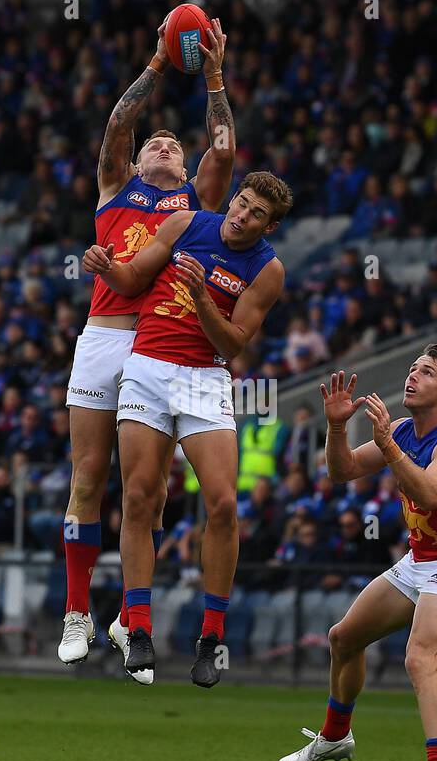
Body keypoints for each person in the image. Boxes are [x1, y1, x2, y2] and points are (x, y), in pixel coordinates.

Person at [59, 16, 235, 677]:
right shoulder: (115, 188)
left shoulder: (195, 202)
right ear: (135, 163)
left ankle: (130, 617)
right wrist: (161, 61)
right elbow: (116, 124)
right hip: (108, 340)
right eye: (153, 141)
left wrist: (214, 74)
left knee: (150, 496)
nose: (163, 141)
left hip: (164, 346)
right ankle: (78, 609)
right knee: (88, 477)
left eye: (173, 142)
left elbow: (222, 148)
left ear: (185, 168)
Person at [81, 171, 291, 686]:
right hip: (148, 367)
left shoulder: (267, 269)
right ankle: (139, 631)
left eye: (256, 214)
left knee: (221, 504)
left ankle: (210, 637)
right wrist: (108, 268)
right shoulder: (185, 223)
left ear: (271, 225)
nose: (241, 216)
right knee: (138, 498)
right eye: (241, 203)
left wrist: (200, 297)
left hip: (204, 378)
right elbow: (132, 281)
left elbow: (235, 342)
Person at [276, 347, 437, 761]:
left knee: (420, 658)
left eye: (426, 372)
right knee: (344, 638)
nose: (413, 375)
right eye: (413, 367)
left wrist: (391, 447)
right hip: (421, 561)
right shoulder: (401, 430)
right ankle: (336, 737)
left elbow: (432, 494)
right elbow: (342, 471)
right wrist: (336, 426)